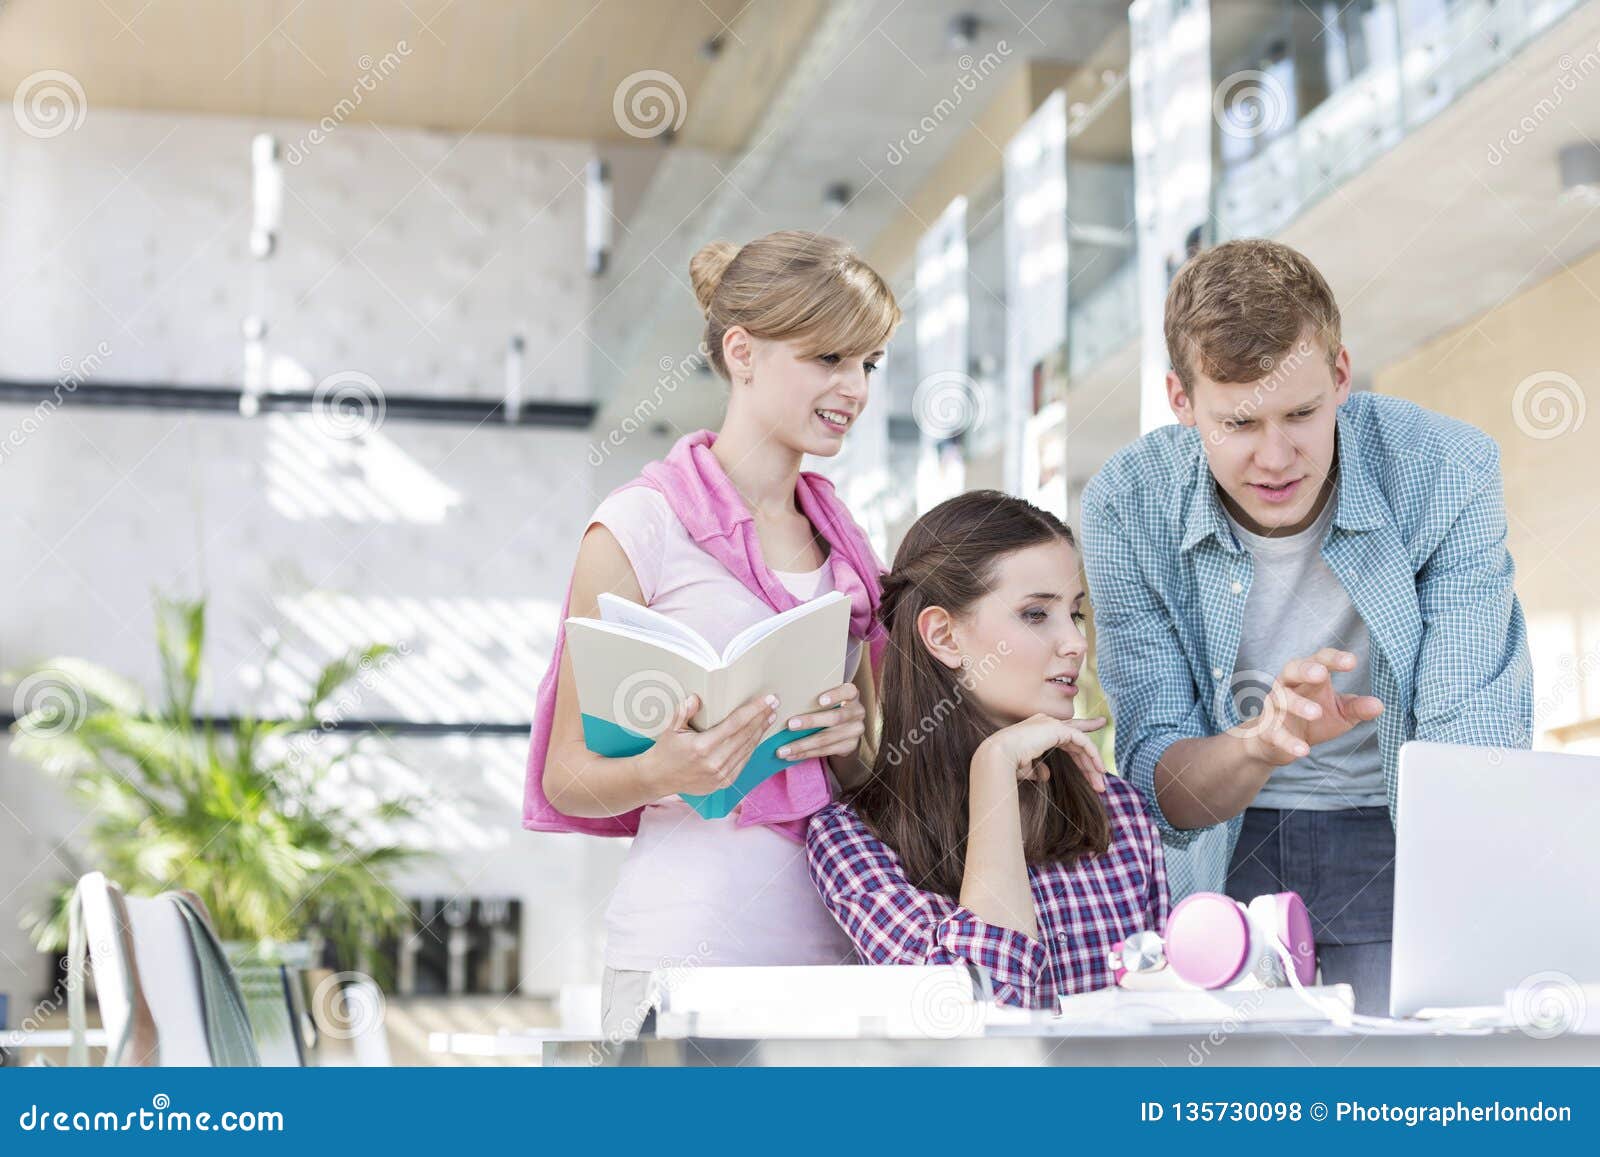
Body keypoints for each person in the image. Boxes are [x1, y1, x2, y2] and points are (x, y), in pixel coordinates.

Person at [1080, 237, 1533, 1015]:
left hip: (1404, 839)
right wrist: (1259, 742)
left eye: (1301, 413)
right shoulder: (1127, 503)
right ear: (1181, 402)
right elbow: (1161, 783)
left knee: (1411, 1101)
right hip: (1225, 853)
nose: (1277, 456)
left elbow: (1476, 743)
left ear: (1342, 376)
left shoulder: (1446, 470)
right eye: (1240, 423)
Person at [522, 230, 901, 1040]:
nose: (855, 387)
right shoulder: (639, 526)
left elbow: (872, 771)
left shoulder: (846, 543)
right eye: (830, 357)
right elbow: (565, 777)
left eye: (868, 363)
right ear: (743, 352)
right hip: (682, 951)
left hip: (838, 950)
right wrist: (670, 765)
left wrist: (849, 740)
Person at [807, 491, 1168, 1009]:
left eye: (1076, 614)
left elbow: (1165, 1019)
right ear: (944, 637)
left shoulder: (1120, 812)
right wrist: (993, 769)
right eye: (1036, 614)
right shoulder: (852, 840)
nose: (1075, 642)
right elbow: (980, 1012)